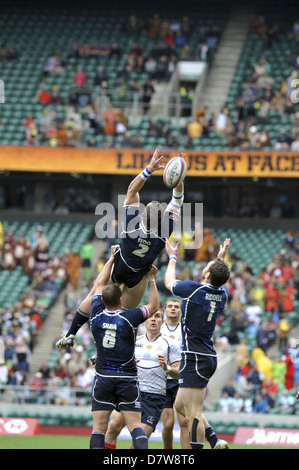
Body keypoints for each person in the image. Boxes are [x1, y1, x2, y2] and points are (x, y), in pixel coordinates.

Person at [56, 248, 160, 449]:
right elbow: (154, 305)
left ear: (102, 301)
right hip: (127, 378)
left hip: (103, 377)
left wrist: (111, 259)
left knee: (98, 429)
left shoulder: (95, 315)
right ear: (121, 300)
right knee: (135, 427)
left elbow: (99, 284)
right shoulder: (130, 318)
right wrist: (151, 279)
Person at [164, 237, 231, 449]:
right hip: (204, 356)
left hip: (195, 357)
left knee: (193, 413)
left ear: (208, 274)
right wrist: (219, 259)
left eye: (209, 266)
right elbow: (215, 281)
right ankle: (214, 440)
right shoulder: (223, 293)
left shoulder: (194, 290)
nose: (206, 266)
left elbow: (168, 282)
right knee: (180, 406)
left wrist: (172, 257)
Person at [110, 148, 185, 310]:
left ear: (142, 213)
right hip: (139, 275)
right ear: (161, 220)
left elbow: (132, 189)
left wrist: (149, 169)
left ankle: (73, 331)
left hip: (119, 266)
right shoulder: (165, 230)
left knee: (97, 302)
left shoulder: (131, 225)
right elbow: (178, 200)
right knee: (125, 316)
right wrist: (179, 177)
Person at [104, 309, 181, 448]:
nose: (153, 319)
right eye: (150, 317)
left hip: (154, 397)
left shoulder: (170, 344)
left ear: (162, 322)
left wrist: (168, 368)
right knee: (112, 428)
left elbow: (179, 372)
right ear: (144, 322)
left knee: (139, 442)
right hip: (131, 392)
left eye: (157, 317)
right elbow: (119, 364)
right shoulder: (133, 342)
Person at [160, 298, 227, 449]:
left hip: (183, 377)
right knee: (169, 424)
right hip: (163, 380)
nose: (173, 309)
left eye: (176, 307)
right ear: (164, 310)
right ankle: (212, 439)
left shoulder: (186, 329)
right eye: (169, 306)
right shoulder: (159, 330)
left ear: (180, 311)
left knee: (185, 421)